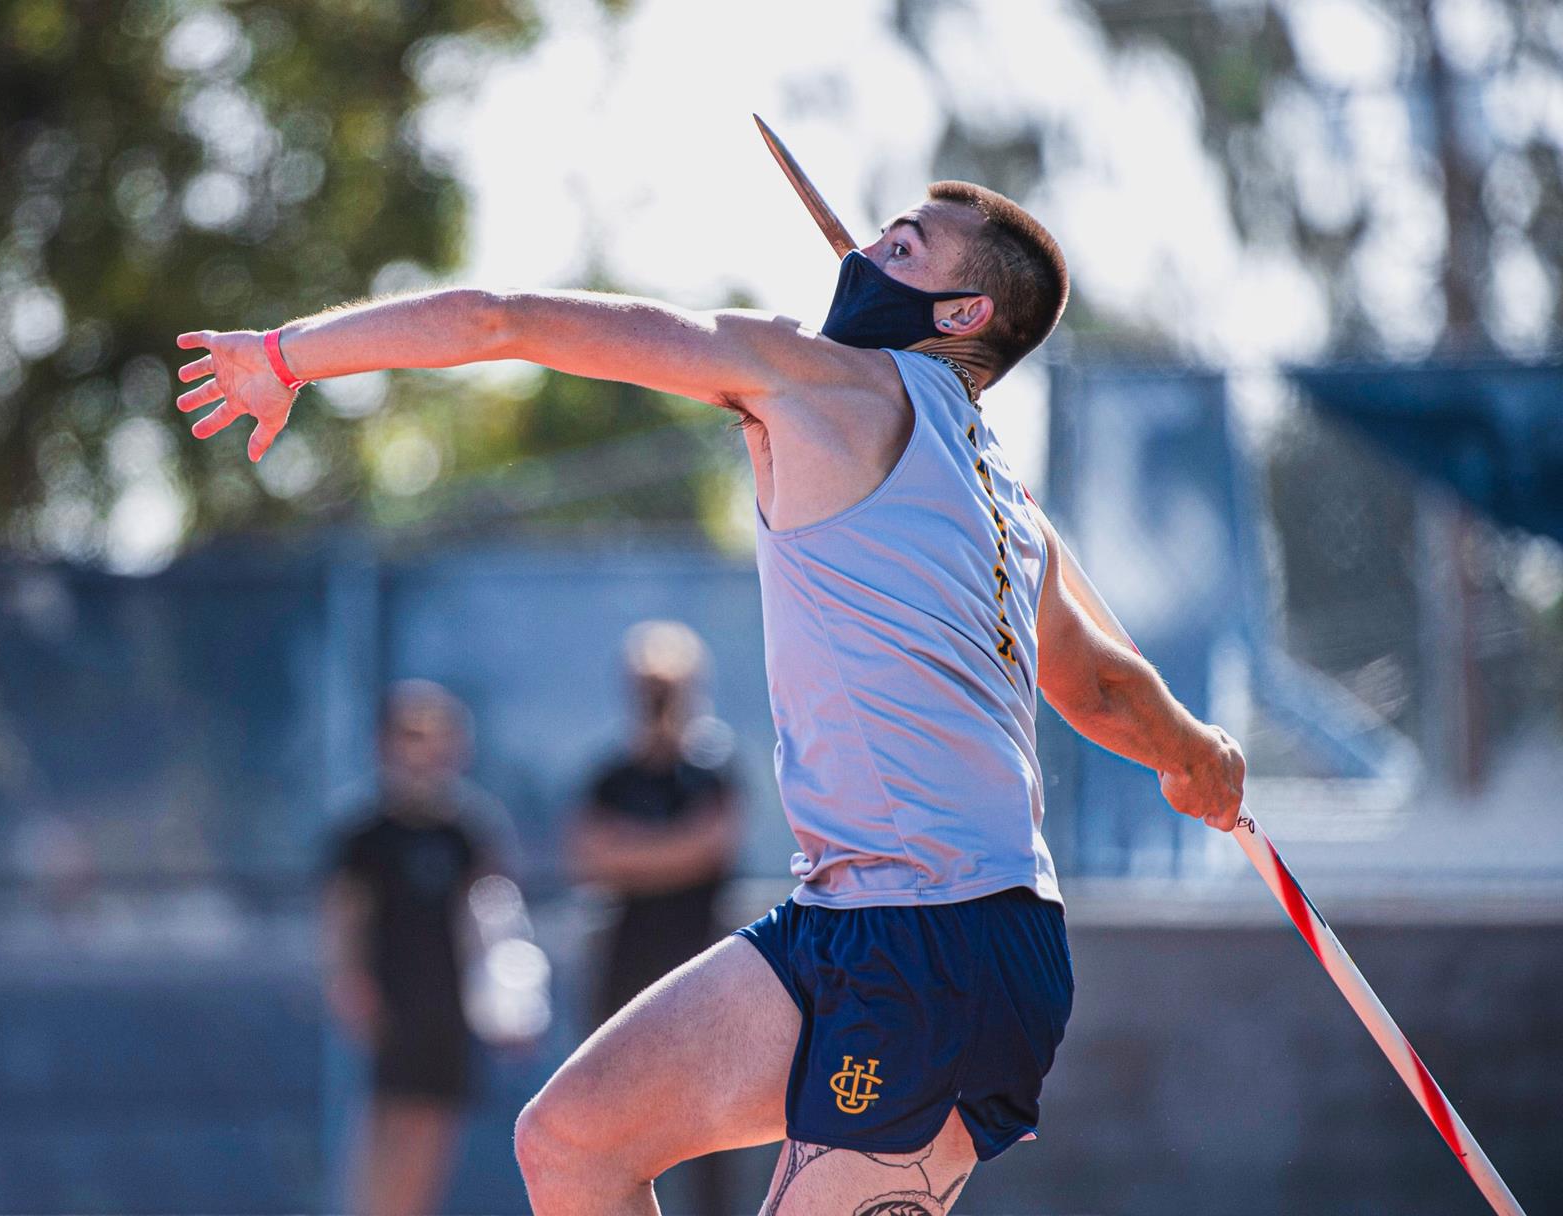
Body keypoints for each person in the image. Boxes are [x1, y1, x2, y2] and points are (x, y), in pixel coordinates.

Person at [182, 180, 1246, 1214]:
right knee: (571, 1144)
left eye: (904, 246)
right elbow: (1103, 685)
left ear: (964, 314)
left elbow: (503, 320)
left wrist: (282, 356)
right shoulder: (1006, 503)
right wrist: (1195, 755)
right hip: (845, 917)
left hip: (943, 943)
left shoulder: (820, 380)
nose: (863, 254)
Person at [567, 620, 742, 1215]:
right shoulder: (612, 776)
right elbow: (591, 856)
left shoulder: (712, 770)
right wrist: (671, 850)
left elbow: (710, 847)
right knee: (620, 1124)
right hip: (626, 971)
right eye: (647, 688)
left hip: (702, 970)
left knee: (711, 1132)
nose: (657, 702)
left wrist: (637, 854)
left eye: (667, 688)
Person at [323, 680, 511, 1216]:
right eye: (409, 735)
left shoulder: (467, 829)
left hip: (450, 1004)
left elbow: (495, 916)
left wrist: (503, 1000)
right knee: (386, 1122)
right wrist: (349, 982)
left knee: (434, 1128)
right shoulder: (365, 833)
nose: (421, 750)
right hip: (391, 998)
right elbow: (343, 917)